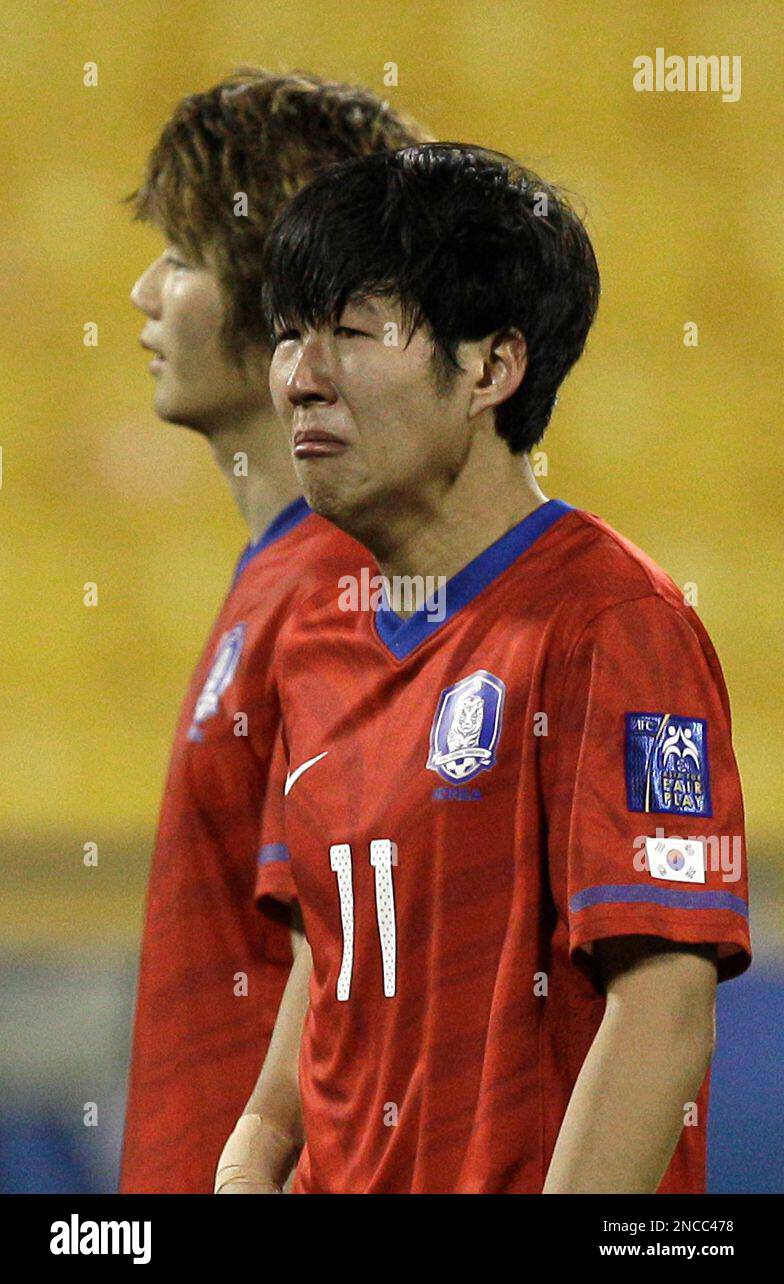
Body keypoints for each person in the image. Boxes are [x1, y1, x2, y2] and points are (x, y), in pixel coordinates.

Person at [219, 144, 752, 1194]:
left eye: (350, 334)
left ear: (491, 368)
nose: (299, 378)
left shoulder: (611, 625)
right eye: (287, 337)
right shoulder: (317, 635)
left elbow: (661, 1010)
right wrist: (250, 1157)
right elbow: (331, 959)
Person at [119, 71, 428, 1194]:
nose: (146, 290)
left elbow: (362, 967)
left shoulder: (344, 588)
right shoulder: (292, 577)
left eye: (185, 256)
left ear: (283, 294)